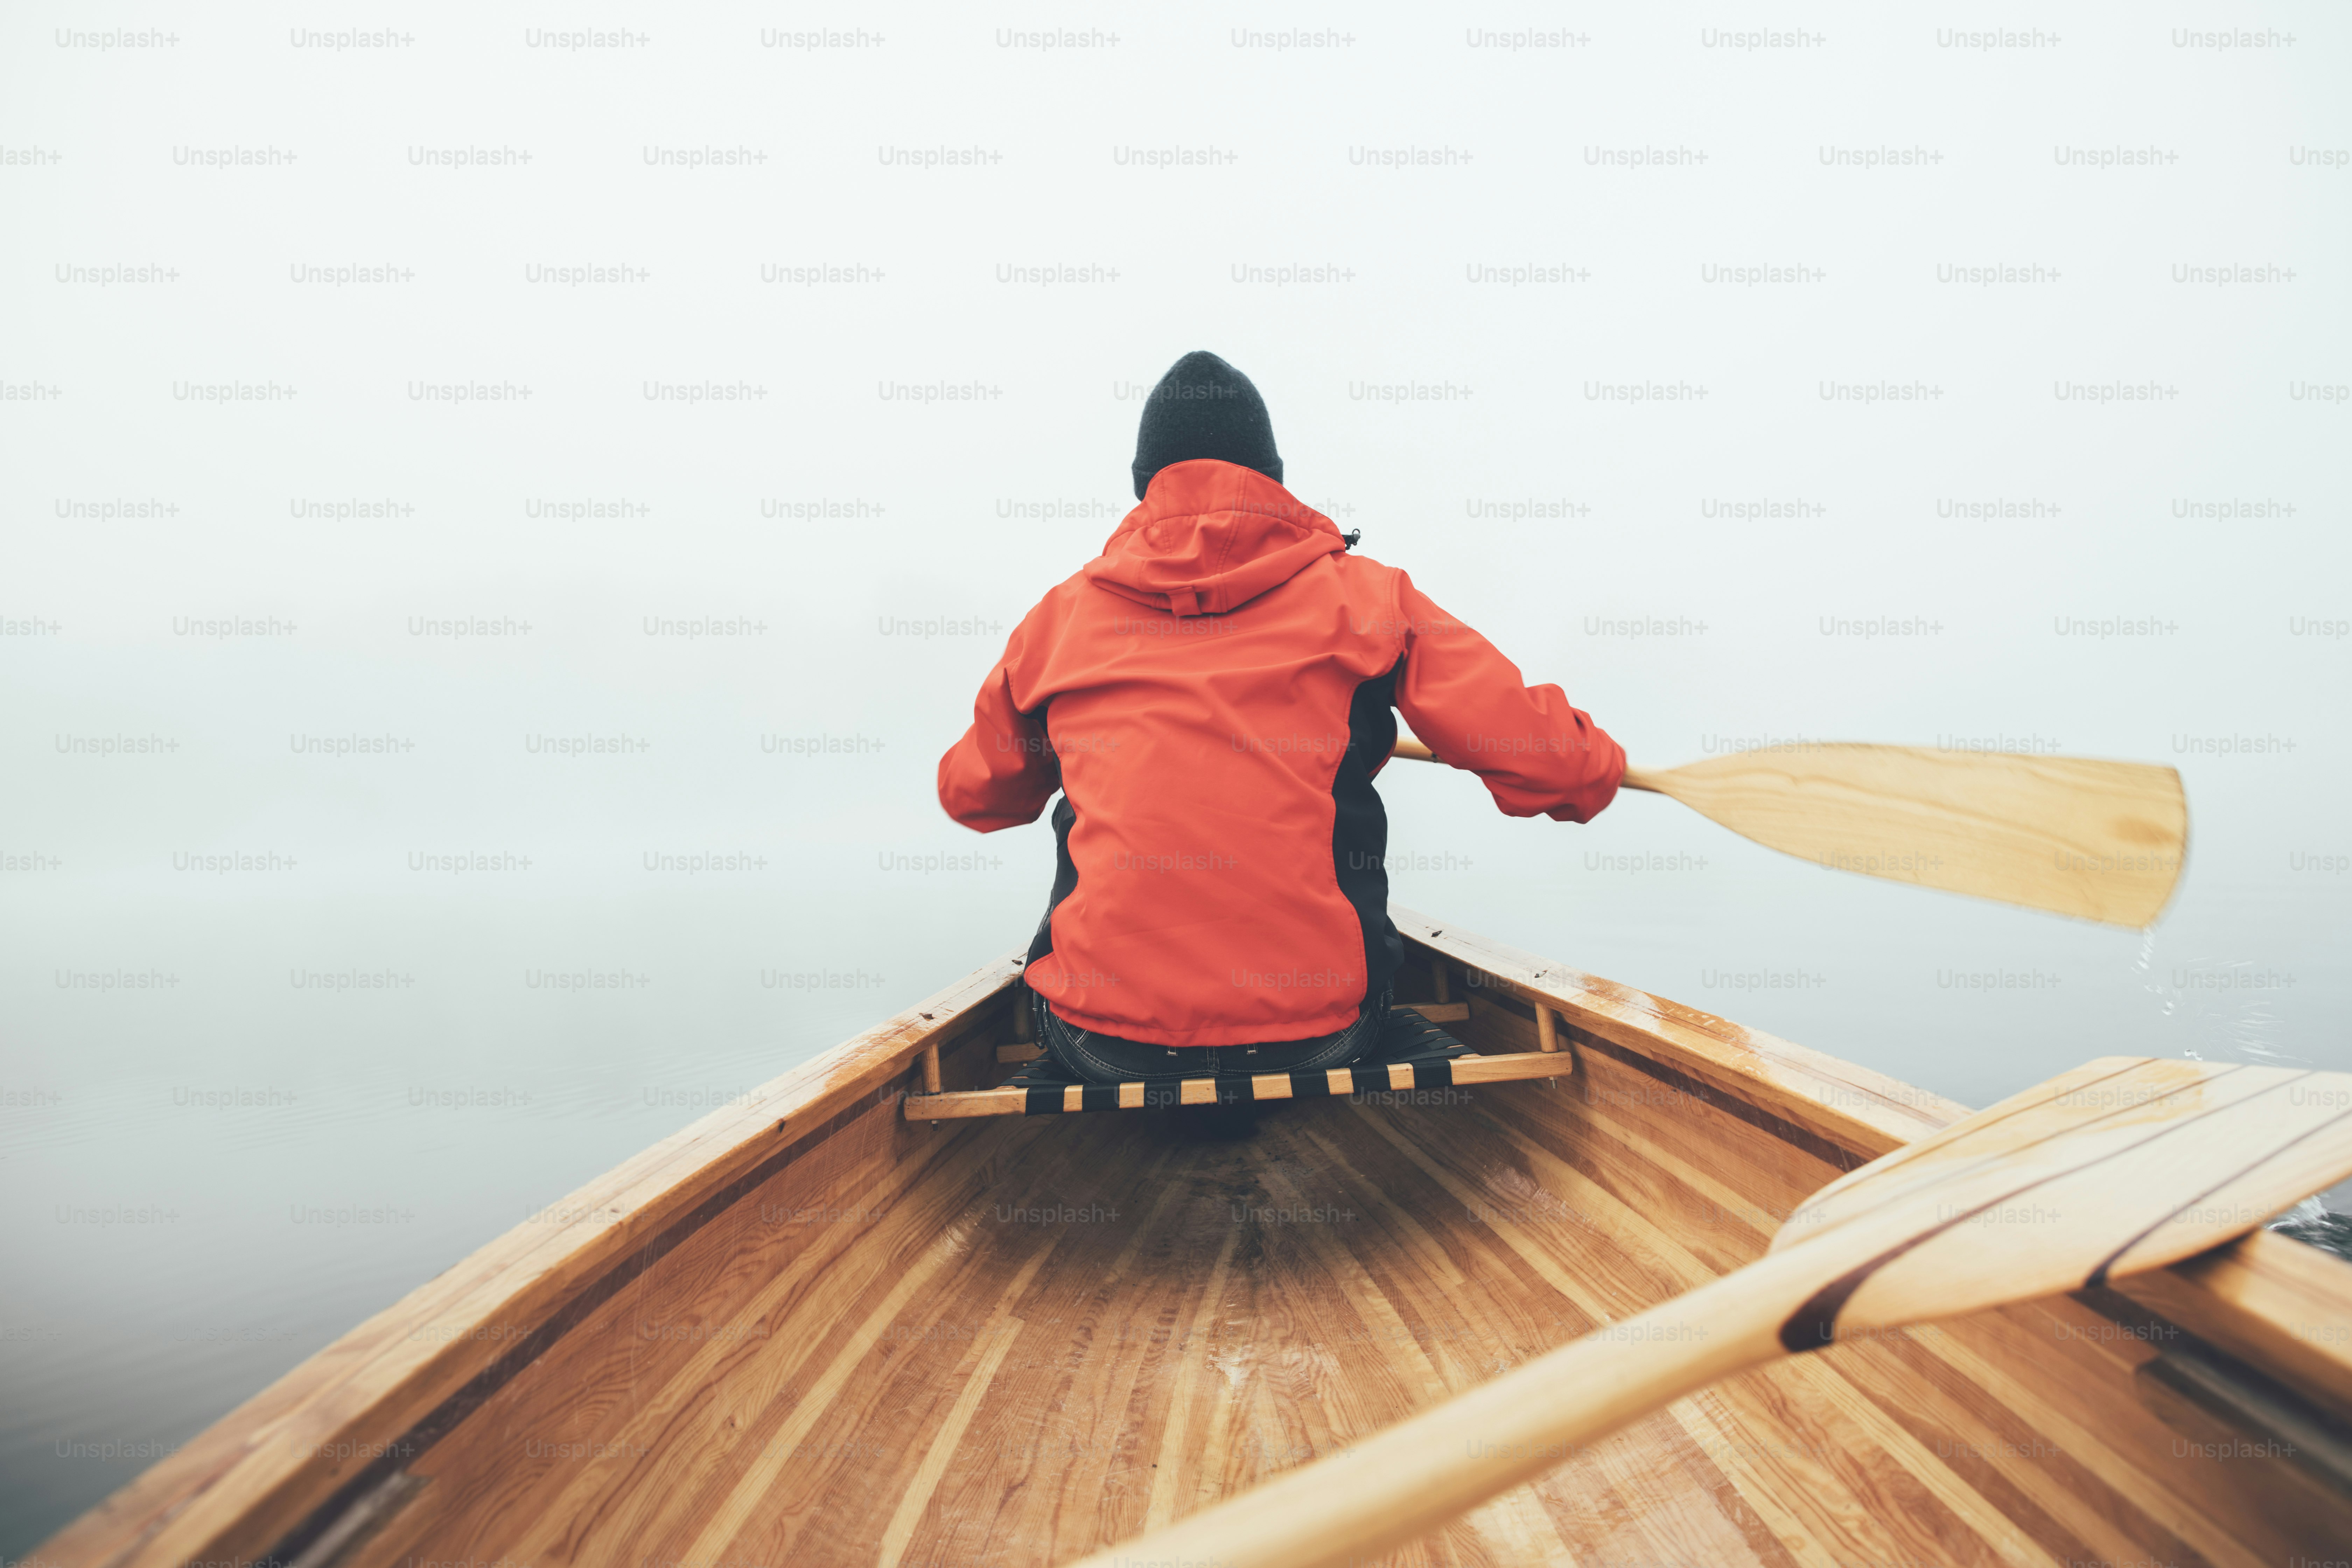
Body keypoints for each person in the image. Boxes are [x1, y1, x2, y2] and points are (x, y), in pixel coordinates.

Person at [937, 351, 1623, 1090]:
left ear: (1143, 488)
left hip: (1104, 1043)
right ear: (1274, 479)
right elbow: (1559, 768)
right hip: (1326, 1036)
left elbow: (975, 795)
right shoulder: (1370, 597)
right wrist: (1600, 762)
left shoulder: (1056, 622)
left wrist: (1061, 742)